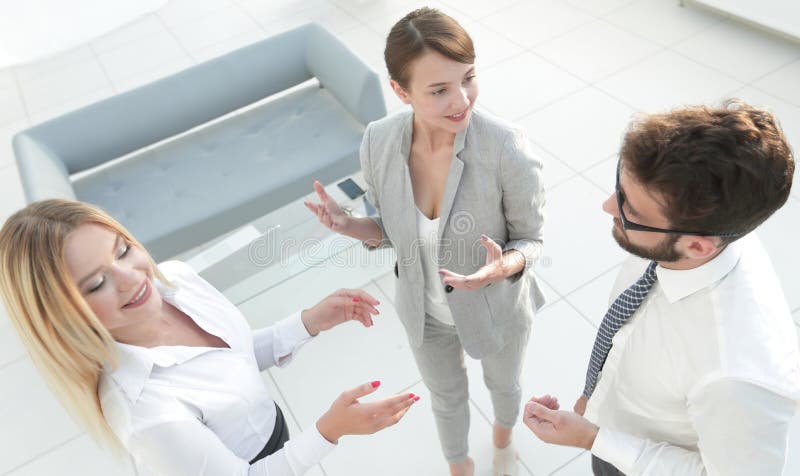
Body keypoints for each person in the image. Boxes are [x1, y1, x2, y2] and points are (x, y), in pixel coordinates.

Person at [0, 199, 420, 476]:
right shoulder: (148, 415)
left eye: (123, 250)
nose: (132, 279)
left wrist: (307, 322)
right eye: (96, 284)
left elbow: (229, 359)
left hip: (274, 439)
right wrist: (330, 430)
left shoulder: (177, 280)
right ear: (61, 317)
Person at [304, 7, 546, 476]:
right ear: (401, 91)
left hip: (497, 305)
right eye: (439, 90)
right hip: (424, 309)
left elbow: (531, 238)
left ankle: (503, 440)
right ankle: (460, 466)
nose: (462, 100)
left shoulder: (505, 145)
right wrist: (348, 224)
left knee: (504, 385)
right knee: (445, 396)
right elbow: (392, 233)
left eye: (468, 79)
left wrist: (503, 267)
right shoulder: (378, 141)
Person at [522, 101, 800, 475]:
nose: (608, 206)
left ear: (698, 246)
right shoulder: (692, 236)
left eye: (629, 210)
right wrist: (594, 403)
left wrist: (595, 440)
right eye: (619, 188)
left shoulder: (736, 375)